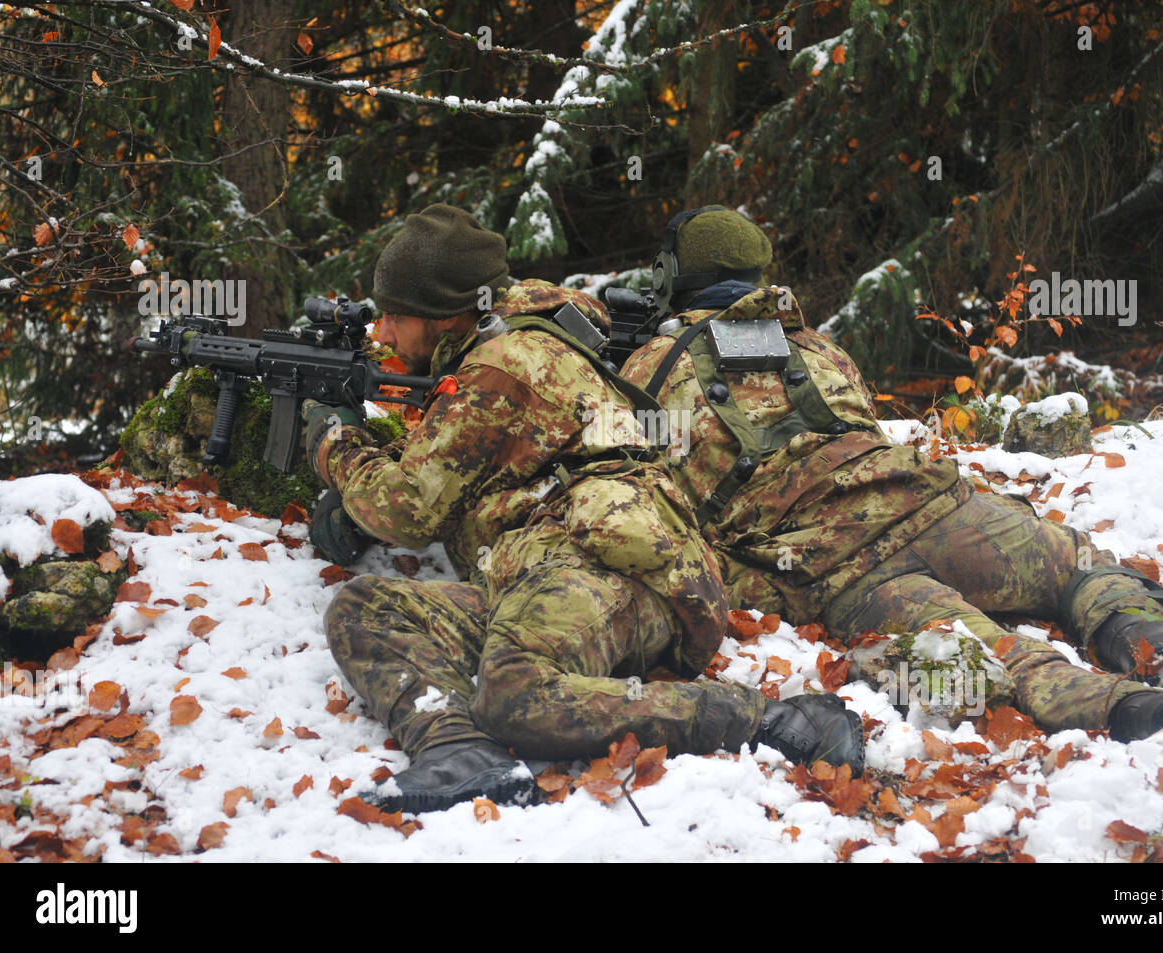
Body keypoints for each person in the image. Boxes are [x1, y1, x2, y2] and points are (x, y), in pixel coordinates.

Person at [619, 206, 1163, 743]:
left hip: (842, 569)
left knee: (987, 663)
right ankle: (1150, 637)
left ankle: (1133, 708)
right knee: (1075, 563)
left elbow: (634, 489)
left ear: (675, 274)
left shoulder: (654, 364)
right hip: (933, 504)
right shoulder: (818, 348)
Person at [303, 204, 864, 814]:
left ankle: (775, 720)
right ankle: (458, 750)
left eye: (394, 316)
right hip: (541, 574)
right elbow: (447, 469)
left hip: (620, 569)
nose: (381, 334)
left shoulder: (506, 361)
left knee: (512, 691)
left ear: (444, 315)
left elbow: (405, 513)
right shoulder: (513, 344)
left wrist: (335, 445)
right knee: (364, 608)